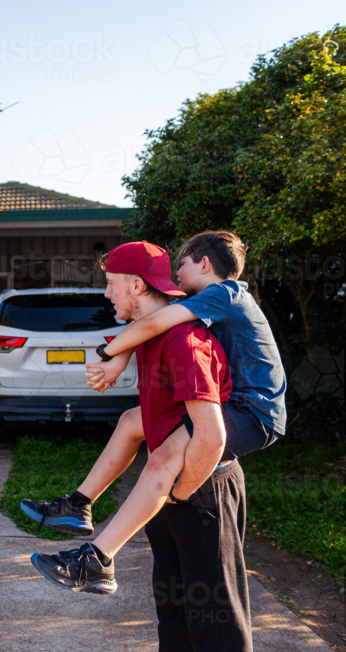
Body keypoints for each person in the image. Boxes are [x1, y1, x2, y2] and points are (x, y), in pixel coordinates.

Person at [23, 233, 285, 590]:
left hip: (254, 411)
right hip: (237, 404)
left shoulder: (227, 293)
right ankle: (78, 504)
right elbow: (156, 317)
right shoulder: (204, 301)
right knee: (132, 420)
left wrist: (108, 354)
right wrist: (125, 353)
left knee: (163, 458)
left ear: (204, 265)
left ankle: (98, 558)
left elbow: (152, 322)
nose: (176, 274)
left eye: (182, 263)